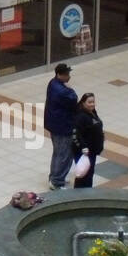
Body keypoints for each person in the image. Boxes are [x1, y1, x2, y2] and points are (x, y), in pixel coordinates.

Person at [44, 63, 79, 191]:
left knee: (58, 152)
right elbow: (74, 98)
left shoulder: (52, 83)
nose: (68, 76)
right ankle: (57, 181)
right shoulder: (63, 91)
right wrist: (70, 88)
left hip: (55, 124)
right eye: (66, 74)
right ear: (59, 75)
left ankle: (55, 176)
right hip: (62, 126)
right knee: (64, 154)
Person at [71, 92, 105, 189]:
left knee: (89, 173)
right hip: (84, 152)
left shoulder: (92, 112)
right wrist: (83, 147)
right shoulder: (81, 117)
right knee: (83, 173)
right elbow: (76, 134)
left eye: (93, 102)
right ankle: (80, 194)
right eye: (89, 102)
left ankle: (87, 192)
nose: (92, 104)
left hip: (92, 150)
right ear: (83, 103)